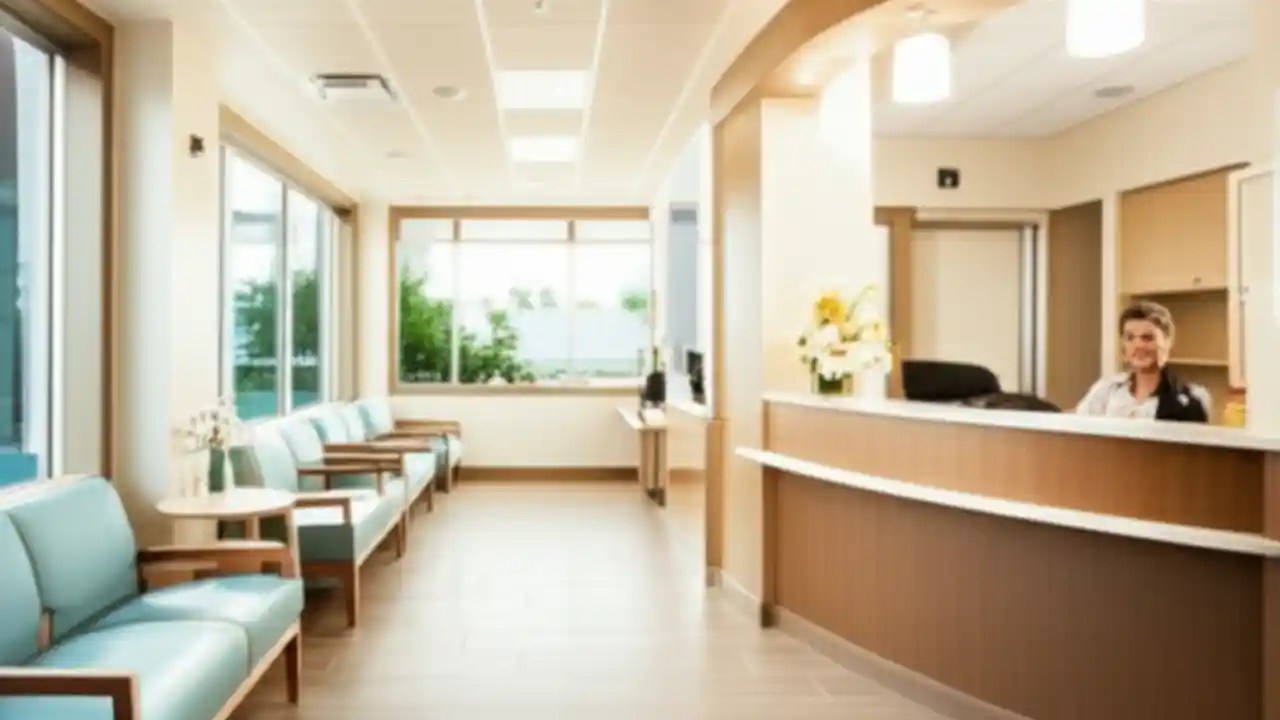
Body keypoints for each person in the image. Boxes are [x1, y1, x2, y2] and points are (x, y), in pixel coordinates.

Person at [1075, 300, 1210, 422]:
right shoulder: (1106, 390)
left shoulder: (1191, 399)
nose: (1138, 345)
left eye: (1147, 338)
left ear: (1168, 341)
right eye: (1130, 338)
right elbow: (1076, 429)